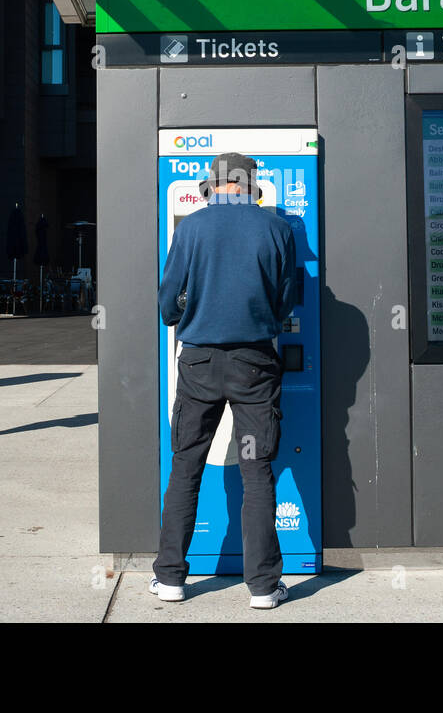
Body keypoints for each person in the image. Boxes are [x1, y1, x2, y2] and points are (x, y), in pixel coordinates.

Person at [150, 152, 296, 610]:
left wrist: (185, 315)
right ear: (251, 186)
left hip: (198, 364)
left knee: (186, 466)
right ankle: (263, 588)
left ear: (212, 185)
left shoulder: (190, 228)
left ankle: (171, 579)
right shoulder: (277, 228)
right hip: (255, 364)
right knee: (257, 474)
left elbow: (167, 301)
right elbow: (288, 300)